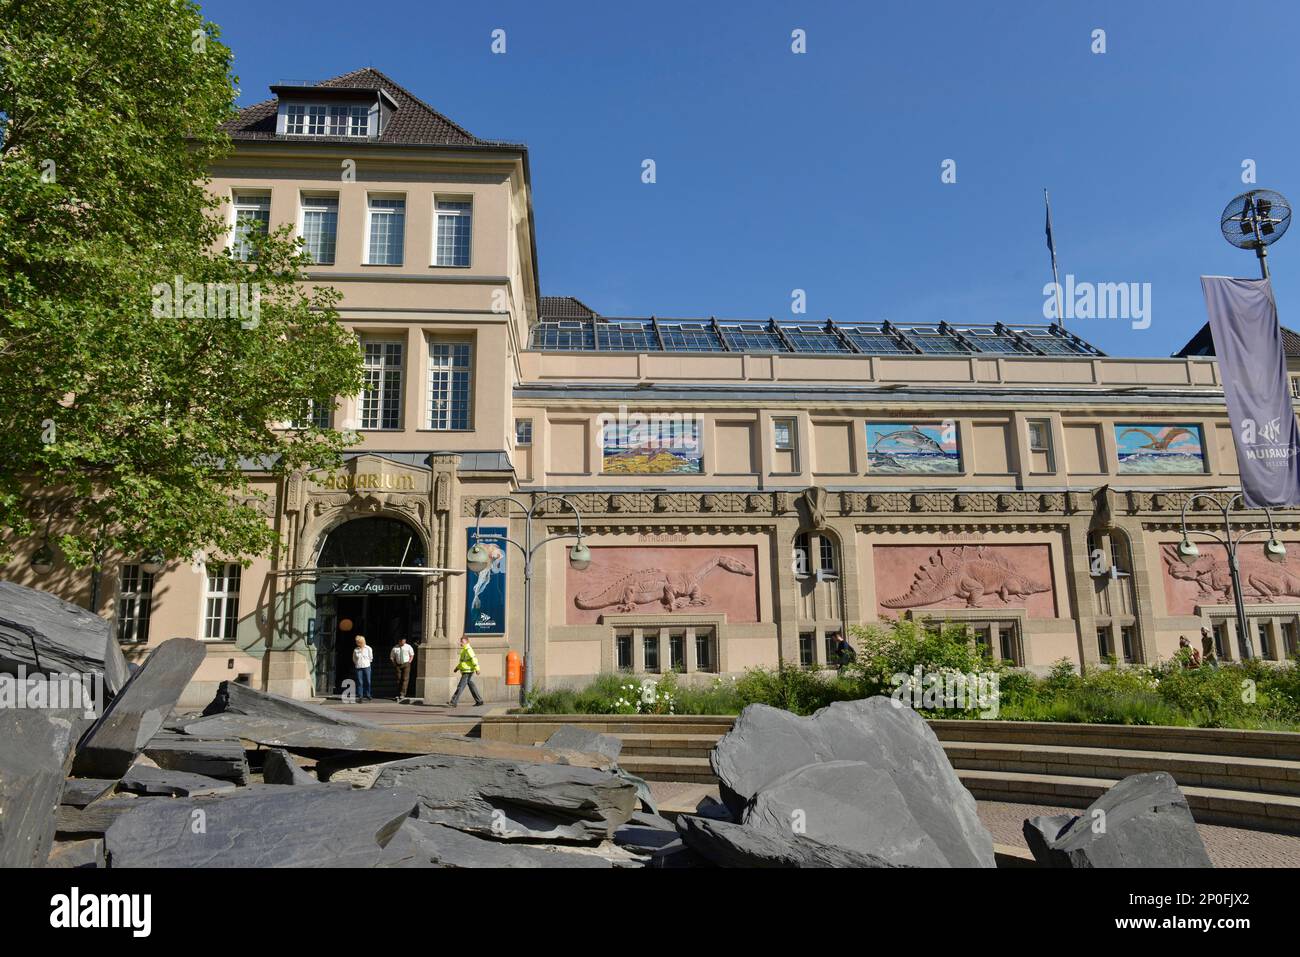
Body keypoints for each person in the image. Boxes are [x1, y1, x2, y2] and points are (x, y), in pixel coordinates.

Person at [449, 635, 485, 708]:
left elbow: (474, 659)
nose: (460, 643)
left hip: (467, 672)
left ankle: (453, 701)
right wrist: (457, 668)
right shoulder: (464, 650)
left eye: (462, 642)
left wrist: (477, 669)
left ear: (467, 642)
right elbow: (463, 662)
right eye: (460, 641)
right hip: (466, 670)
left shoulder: (468, 650)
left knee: (460, 686)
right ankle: (479, 701)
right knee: (472, 686)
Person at [390, 636, 415, 702]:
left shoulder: (408, 647)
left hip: (406, 664)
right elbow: (392, 657)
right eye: (402, 641)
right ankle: (398, 693)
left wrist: (409, 662)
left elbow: (412, 654)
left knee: (405, 679)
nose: (403, 642)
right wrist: (394, 663)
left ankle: (402, 694)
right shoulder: (395, 648)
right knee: (398, 679)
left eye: (404, 641)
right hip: (398, 664)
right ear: (399, 641)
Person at [352, 635, 373, 702]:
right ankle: (360, 696)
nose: (357, 643)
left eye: (358, 642)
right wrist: (357, 663)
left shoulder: (368, 648)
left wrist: (367, 663)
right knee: (360, 682)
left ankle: (368, 694)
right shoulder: (356, 650)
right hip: (358, 667)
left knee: (368, 681)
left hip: (367, 666)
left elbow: (371, 657)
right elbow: (354, 658)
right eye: (357, 642)